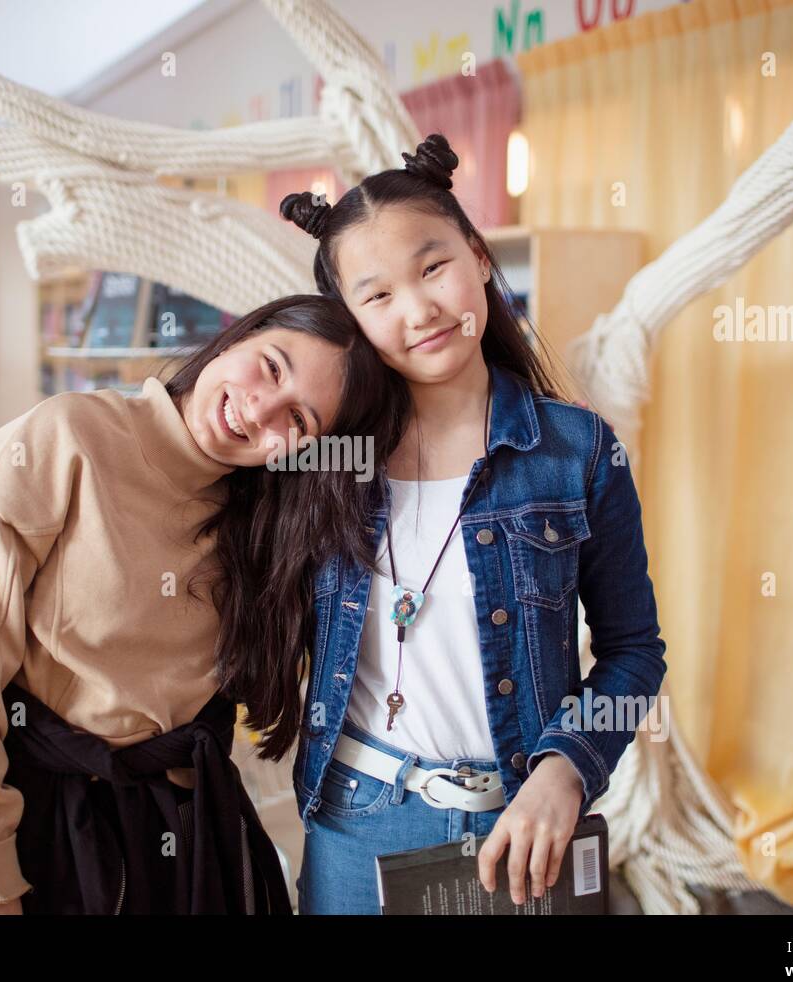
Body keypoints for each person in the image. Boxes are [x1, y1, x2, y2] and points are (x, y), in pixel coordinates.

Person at [0, 293, 399, 914]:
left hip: (185, 833)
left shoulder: (265, 520)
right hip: (42, 826)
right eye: (270, 366)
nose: (261, 409)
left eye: (298, 419)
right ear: (238, 336)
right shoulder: (64, 438)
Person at [280, 134, 668, 914]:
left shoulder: (577, 450)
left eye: (433, 268)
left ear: (480, 256)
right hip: (356, 821)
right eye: (377, 295)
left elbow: (634, 652)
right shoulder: (326, 459)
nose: (419, 310)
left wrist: (567, 767)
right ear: (349, 318)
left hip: (520, 824)